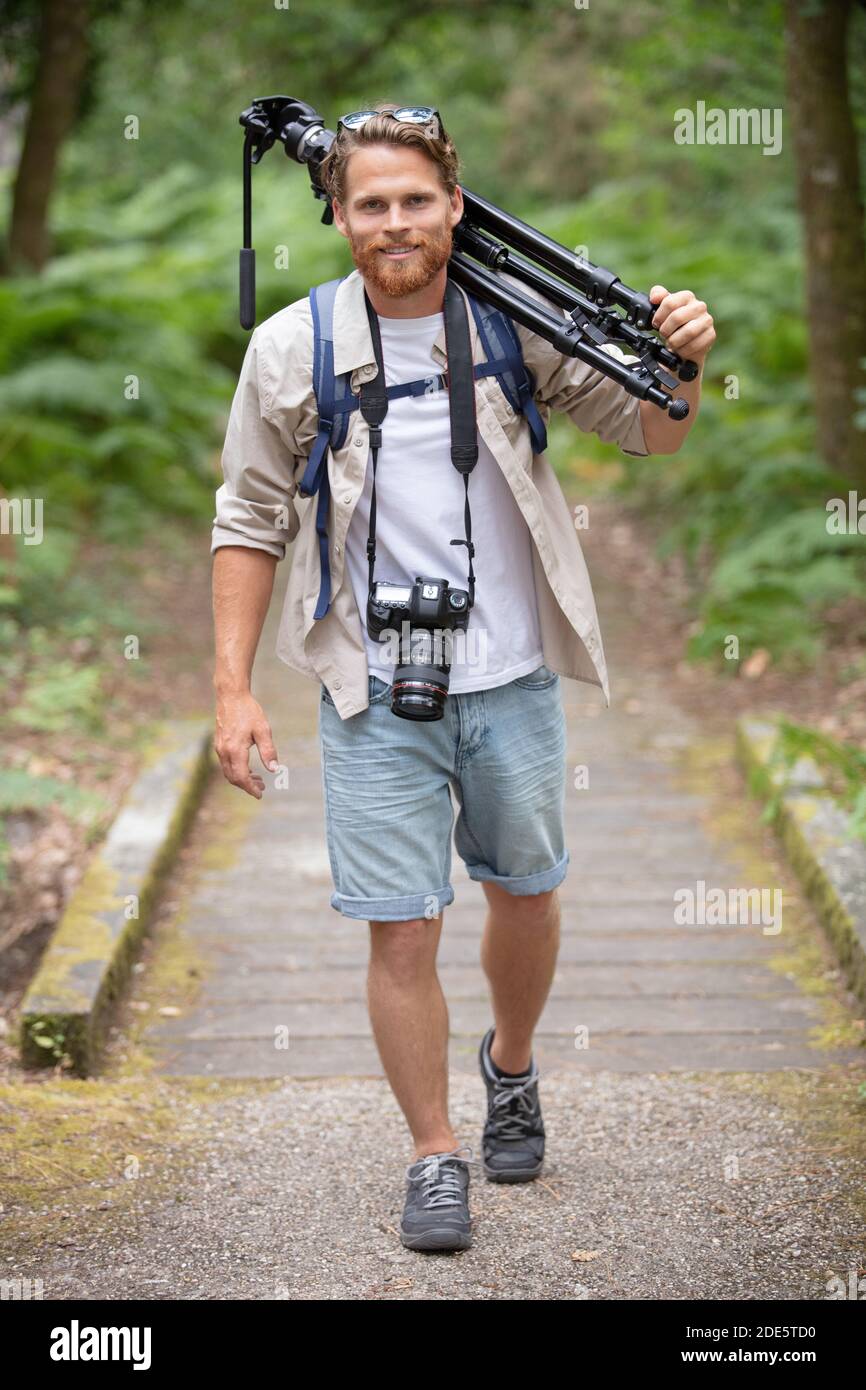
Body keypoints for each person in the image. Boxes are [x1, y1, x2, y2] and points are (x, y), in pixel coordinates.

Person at [211, 102, 715, 1252]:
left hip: (511, 674)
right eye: (369, 204)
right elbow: (244, 518)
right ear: (336, 215)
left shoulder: (510, 322)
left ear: (453, 204)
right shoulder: (293, 347)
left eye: (414, 200)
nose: (393, 223)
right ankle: (433, 1152)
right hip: (370, 685)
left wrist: (681, 355)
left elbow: (652, 430)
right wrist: (232, 688)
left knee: (526, 892)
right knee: (399, 926)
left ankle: (512, 1065)